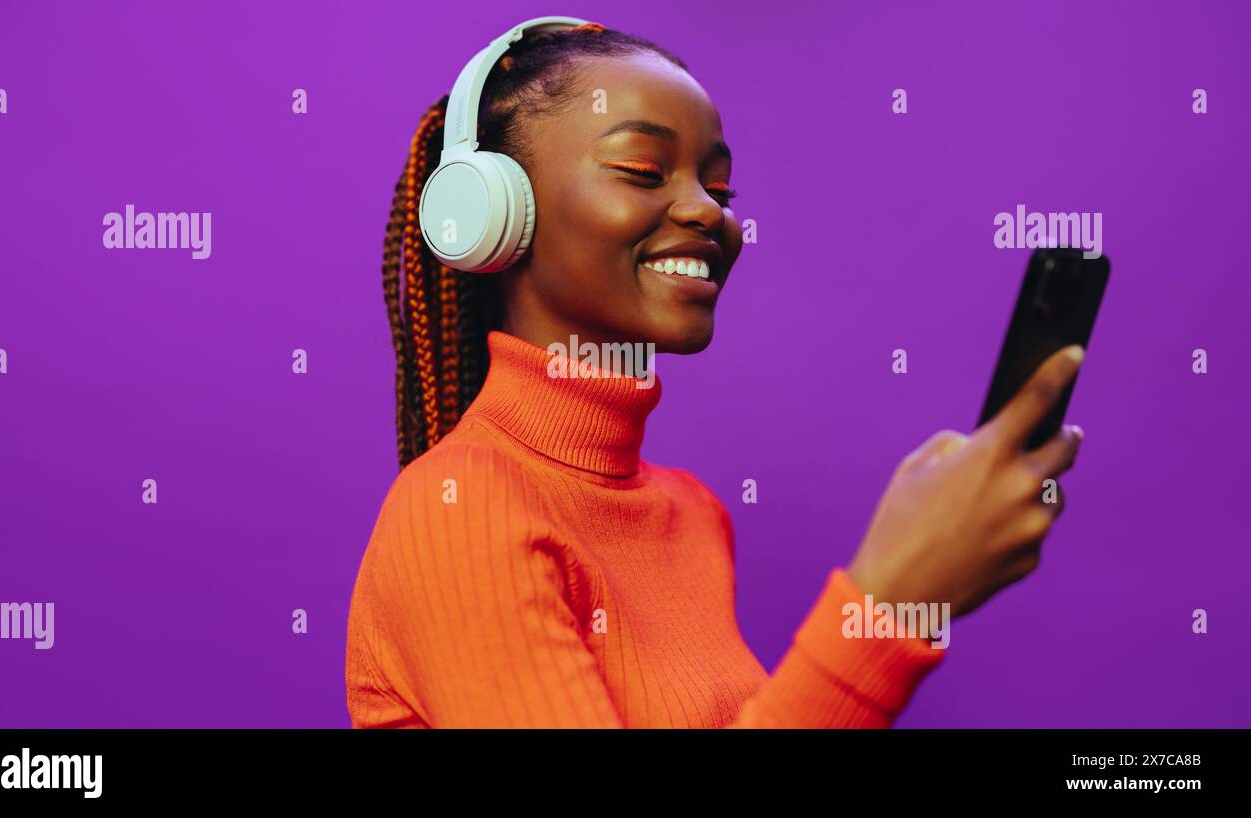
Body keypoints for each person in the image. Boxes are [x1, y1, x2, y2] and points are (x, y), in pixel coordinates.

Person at [345, 21, 1085, 728]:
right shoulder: (457, 509)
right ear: (490, 214)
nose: (709, 212)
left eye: (721, 190)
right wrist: (887, 609)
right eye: (643, 169)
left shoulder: (693, 514)